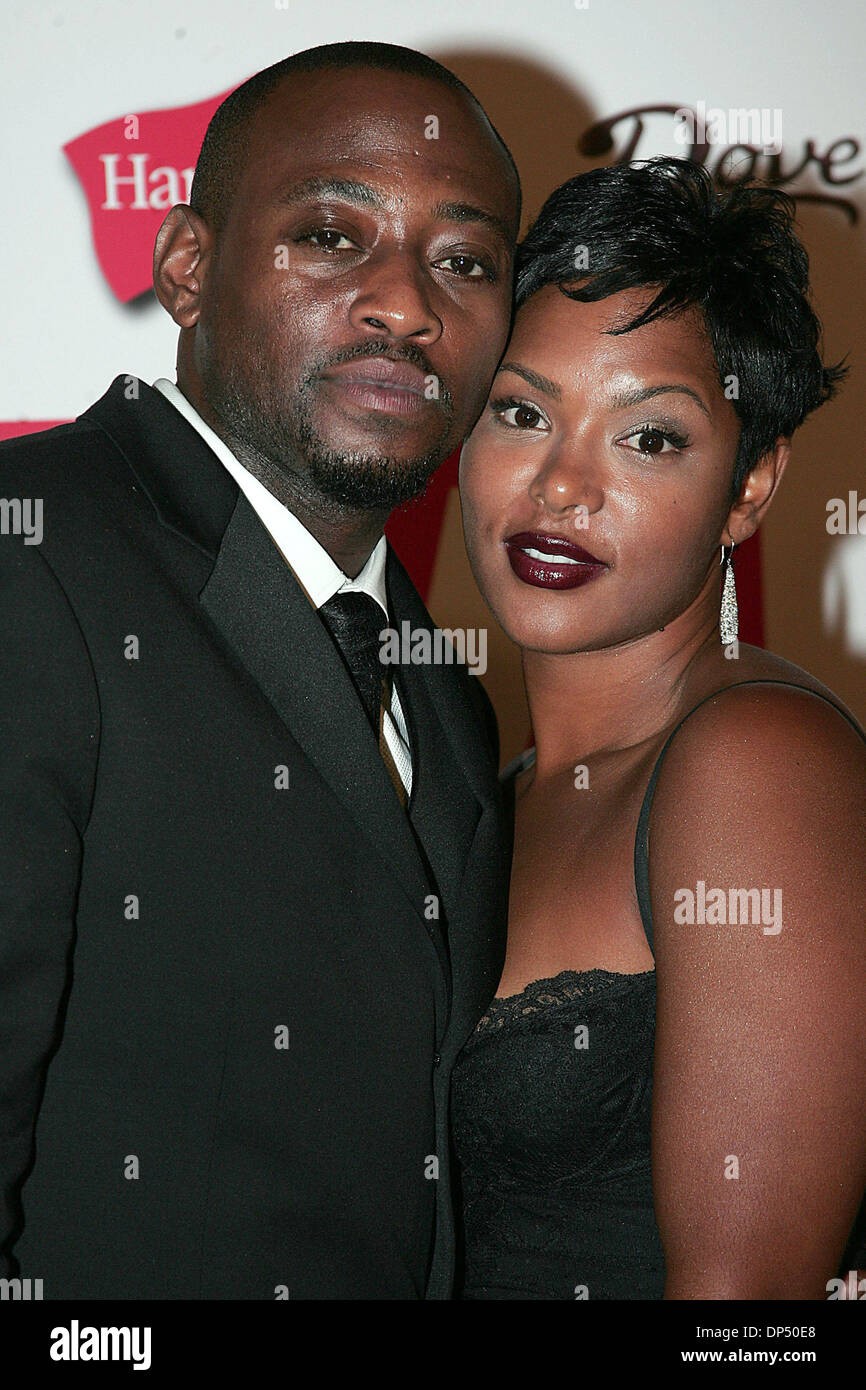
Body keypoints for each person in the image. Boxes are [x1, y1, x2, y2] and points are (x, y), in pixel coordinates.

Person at [0, 41, 521, 1300]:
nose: (406, 305)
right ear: (186, 267)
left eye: (463, 261)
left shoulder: (443, 689)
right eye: (331, 236)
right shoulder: (30, 554)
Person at [452, 157, 866, 1299]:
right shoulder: (489, 787)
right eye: (522, 412)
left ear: (750, 486)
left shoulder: (754, 761)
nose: (560, 486)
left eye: (648, 438)